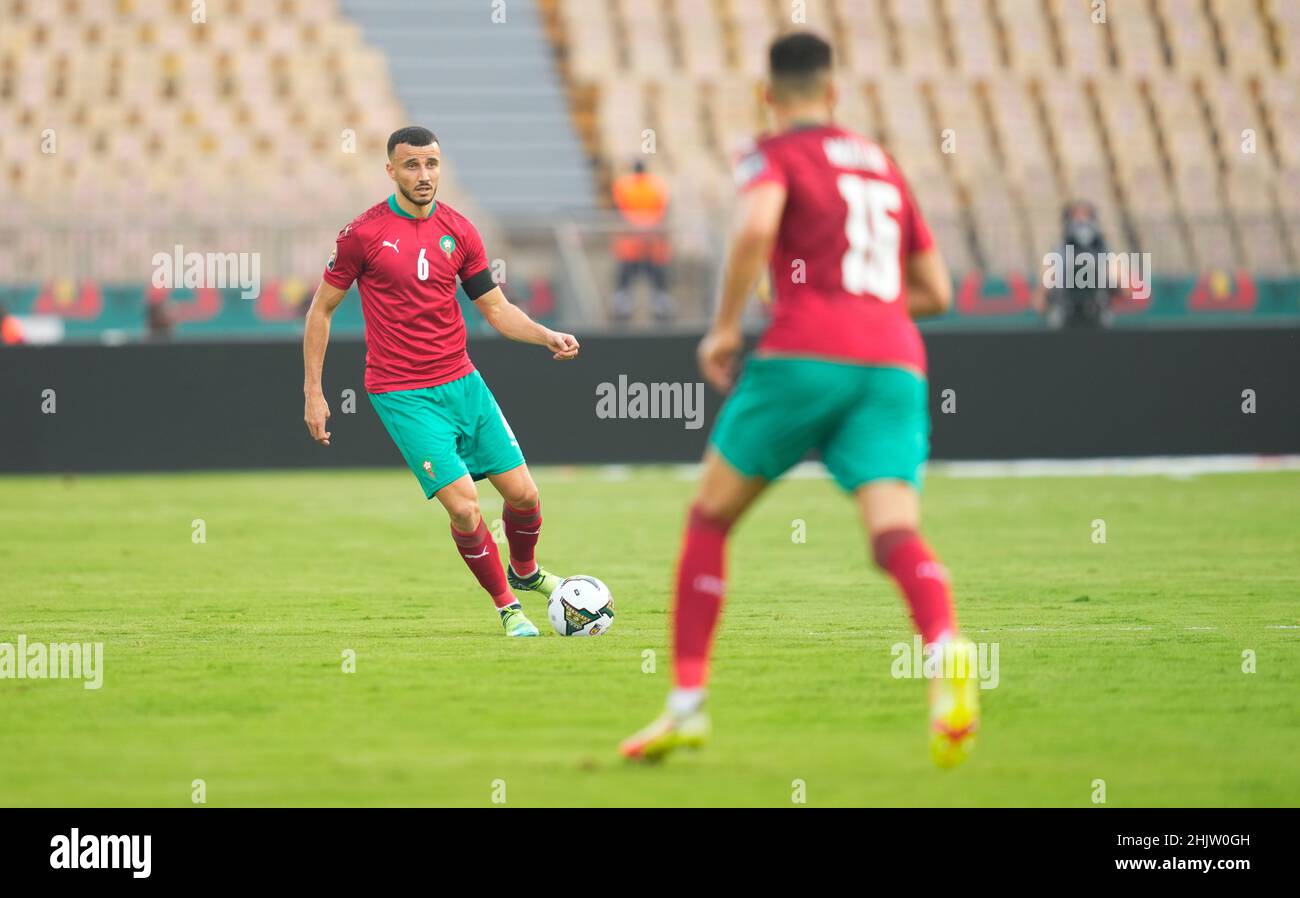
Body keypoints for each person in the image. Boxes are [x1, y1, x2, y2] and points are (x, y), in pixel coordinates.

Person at [619, 33, 980, 766]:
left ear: (767, 95)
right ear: (835, 93)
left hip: (806, 351)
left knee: (710, 516)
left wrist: (723, 328)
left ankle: (687, 705)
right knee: (892, 534)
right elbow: (937, 292)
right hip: (895, 362)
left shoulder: (773, 153)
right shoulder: (884, 164)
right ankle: (945, 649)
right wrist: (869, 306)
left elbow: (755, 224)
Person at [302, 126, 581, 637]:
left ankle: (524, 572)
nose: (424, 175)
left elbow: (495, 309)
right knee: (464, 504)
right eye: (411, 165)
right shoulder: (361, 234)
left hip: (462, 382)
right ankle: (507, 608)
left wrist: (545, 335)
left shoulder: (461, 230)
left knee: (523, 496)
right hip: (402, 391)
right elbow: (320, 310)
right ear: (391, 171)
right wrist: (313, 391)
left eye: (431, 164)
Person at [610, 159, 673, 322]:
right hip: (642, 240)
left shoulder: (628, 185)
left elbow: (619, 211)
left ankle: (658, 300)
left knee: (653, 272)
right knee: (630, 272)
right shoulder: (653, 185)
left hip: (642, 240)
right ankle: (626, 300)